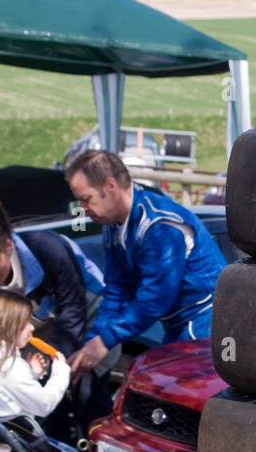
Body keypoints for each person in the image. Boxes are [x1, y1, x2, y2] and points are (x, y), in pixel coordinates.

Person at [65, 150, 225, 378]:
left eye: (86, 199)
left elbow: (156, 297)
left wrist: (104, 342)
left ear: (111, 187)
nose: (82, 209)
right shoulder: (114, 226)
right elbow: (117, 290)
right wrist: (93, 343)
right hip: (177, 327)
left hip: (205, 327)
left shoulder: (159, 225)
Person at [0, 194, 103, 359]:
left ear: (8, 245)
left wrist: (55, 364)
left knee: (81, 374)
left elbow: (72, 309)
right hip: (43, 324)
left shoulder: (48, 250)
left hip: (89, 311)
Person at [0, 292, 70, 420]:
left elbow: (8, 391)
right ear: (8, 325)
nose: (32, 328)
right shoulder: (8, 365)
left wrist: (31, 374)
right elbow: (43, 405)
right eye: (27, 322)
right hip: (3, 435)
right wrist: (61, 370)